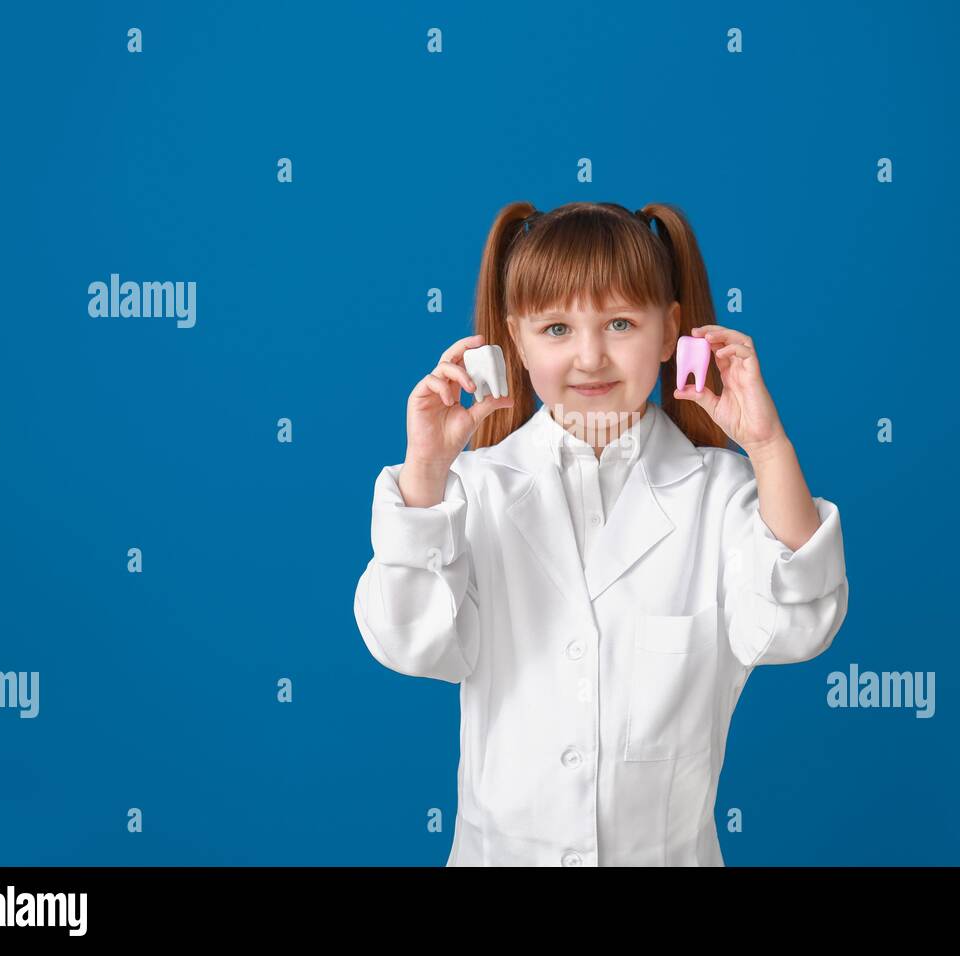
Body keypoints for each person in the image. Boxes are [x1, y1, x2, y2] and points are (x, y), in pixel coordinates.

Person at [354, 201, 849, 866]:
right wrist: (425, 469)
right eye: (556, 328)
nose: (590, 357)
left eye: (620, 322)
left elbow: (799, 625)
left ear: (672, 329)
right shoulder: (471, 491)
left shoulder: (721, 494)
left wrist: (766, 445)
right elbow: (409, 641)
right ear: (516, 341)